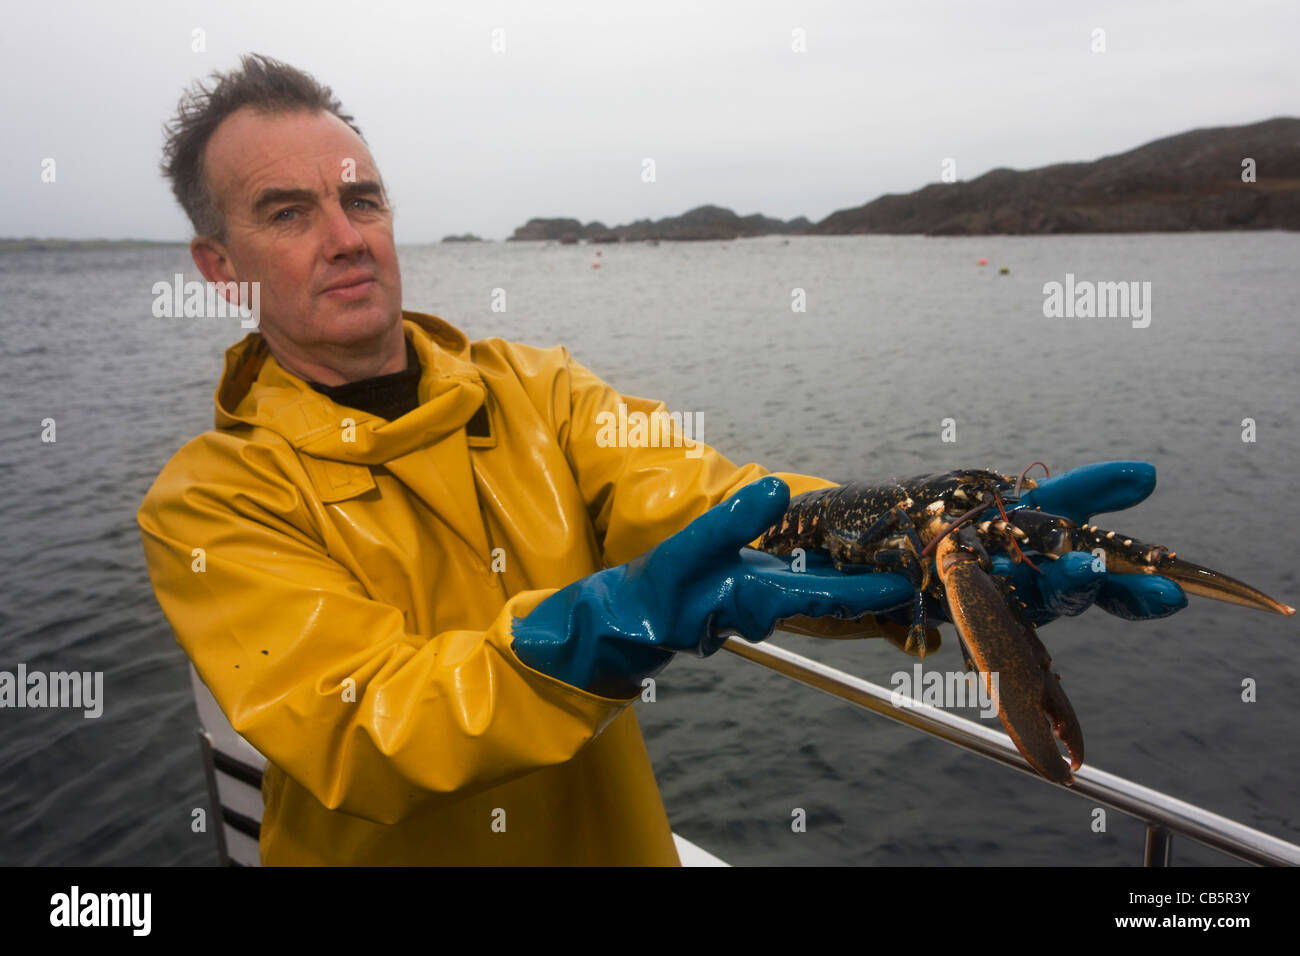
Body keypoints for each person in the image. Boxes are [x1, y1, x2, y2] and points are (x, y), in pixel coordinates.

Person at [138, 54, 1186, 866]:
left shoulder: (533, 392)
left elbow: (713, 502)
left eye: (360, 198)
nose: (344, 234)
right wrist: (589, 629)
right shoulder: (210, 502)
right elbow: (357, 719)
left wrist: (919, 543)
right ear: (218, 266)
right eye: (288, 211)